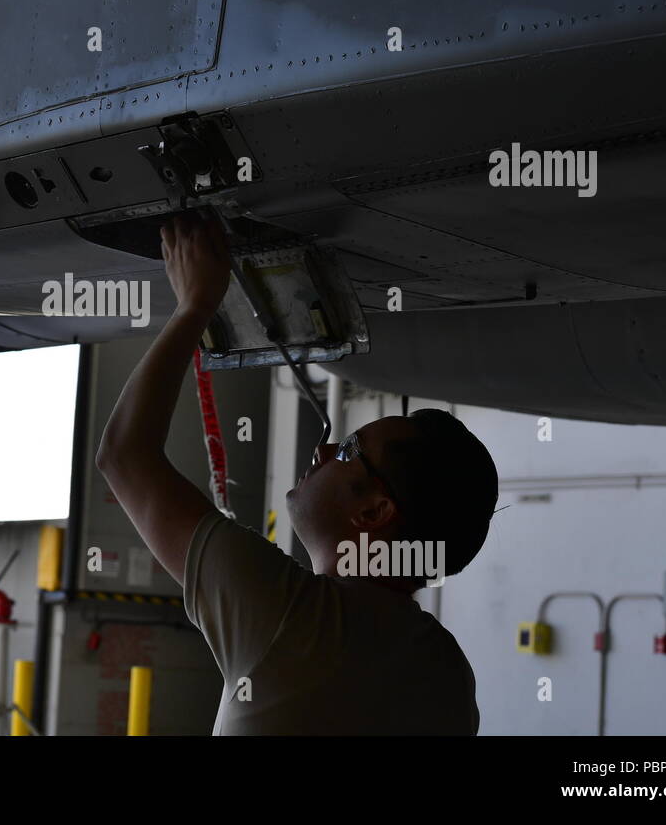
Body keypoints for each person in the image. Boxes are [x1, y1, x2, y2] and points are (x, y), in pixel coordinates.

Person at [96, 212, 498, 734]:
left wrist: (196, 303)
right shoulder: (445, 670)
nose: (327, 447)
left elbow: (125, 456)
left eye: (351, 447)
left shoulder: (288, 613)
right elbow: (124, 457)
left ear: (375, 511)